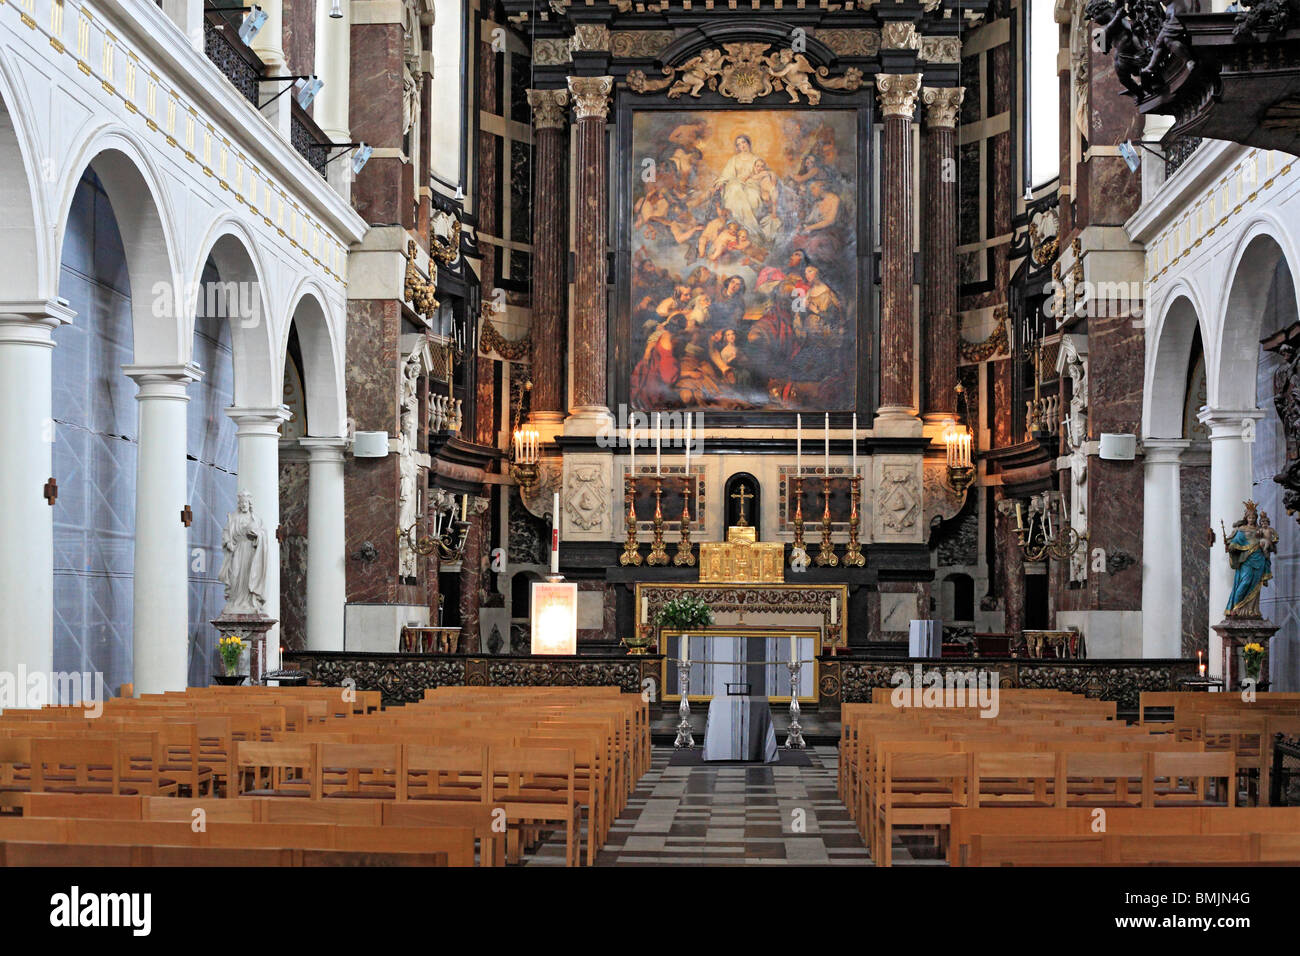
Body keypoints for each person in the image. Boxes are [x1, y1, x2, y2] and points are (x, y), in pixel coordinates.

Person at [218, 490, 269, 615]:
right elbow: (226, 532)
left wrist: (257, 535)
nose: (243, 505)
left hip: (251, 551)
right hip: (238, 549)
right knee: (234, 574)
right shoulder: (233, 518)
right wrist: (228, 542)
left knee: (249, 575)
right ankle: (234, 602)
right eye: (241, 503)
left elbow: (263, 533)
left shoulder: (256, 519)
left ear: (249, 503)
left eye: (245, 502)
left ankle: (250, 602)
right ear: (239, 504)